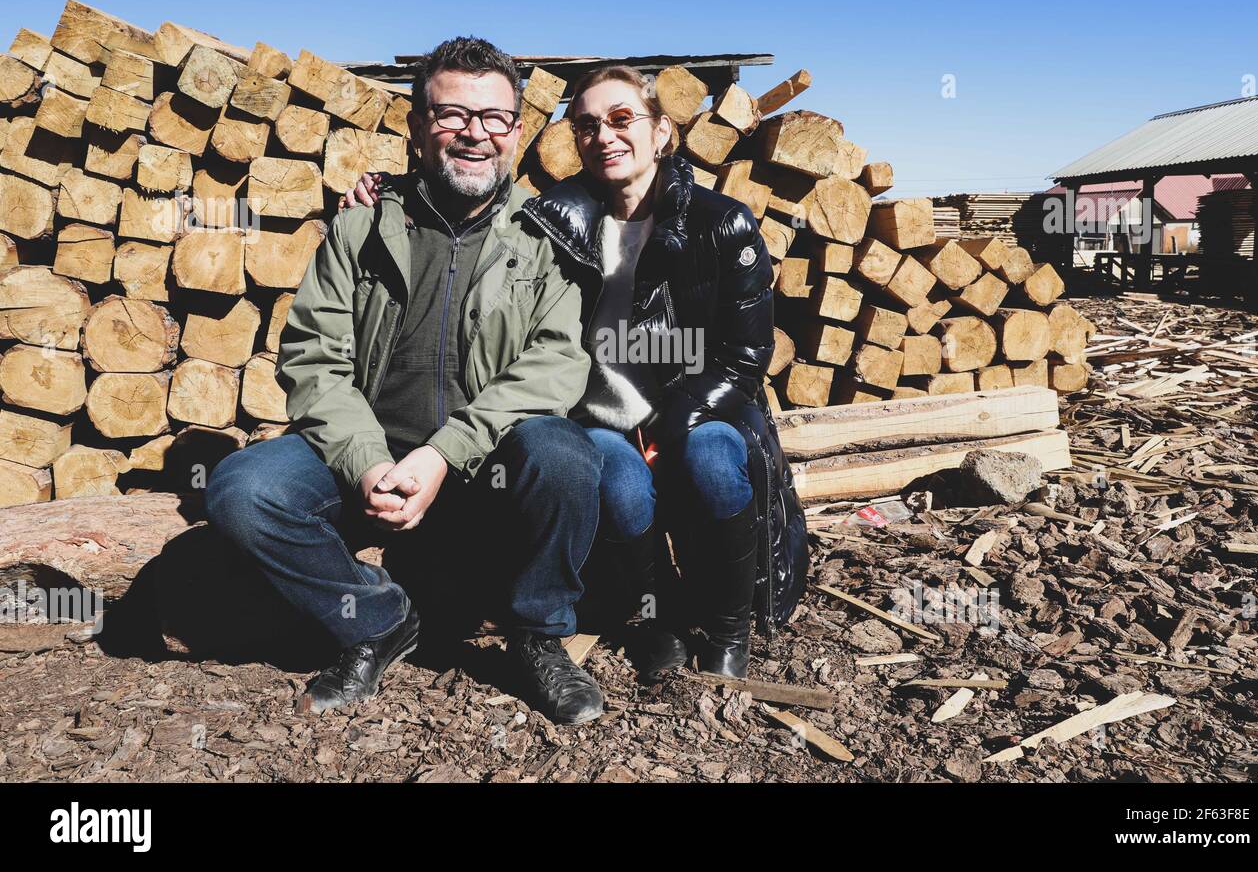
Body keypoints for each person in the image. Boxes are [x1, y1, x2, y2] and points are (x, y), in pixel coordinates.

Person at [351, 65, 809, 680]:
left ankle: (728, 627)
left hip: (698, 407)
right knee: (616, 483)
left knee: (713, 463)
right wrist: (387, 189)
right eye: (587, 125)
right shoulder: (556, 218)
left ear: (662, 132)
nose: (605, 136)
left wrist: (669, 429)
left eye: (623, 119)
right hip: (595, 416)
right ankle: (655, 619)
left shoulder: (721, 223)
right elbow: (465, 192)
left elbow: (747, 356)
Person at [205, 37, 608, 725]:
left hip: (485, 463)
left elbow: (554, 365)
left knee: (566, 456)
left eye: (494, 118)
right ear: (418, 126)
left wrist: (445, 452)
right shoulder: (360, 226)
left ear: (516, 132)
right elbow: (314, 356)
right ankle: (377, 620)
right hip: (367, 454)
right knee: (243, 492)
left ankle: (539, 636)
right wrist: (367, 461)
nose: (474, 134)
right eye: (452, 114)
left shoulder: (546, 239)